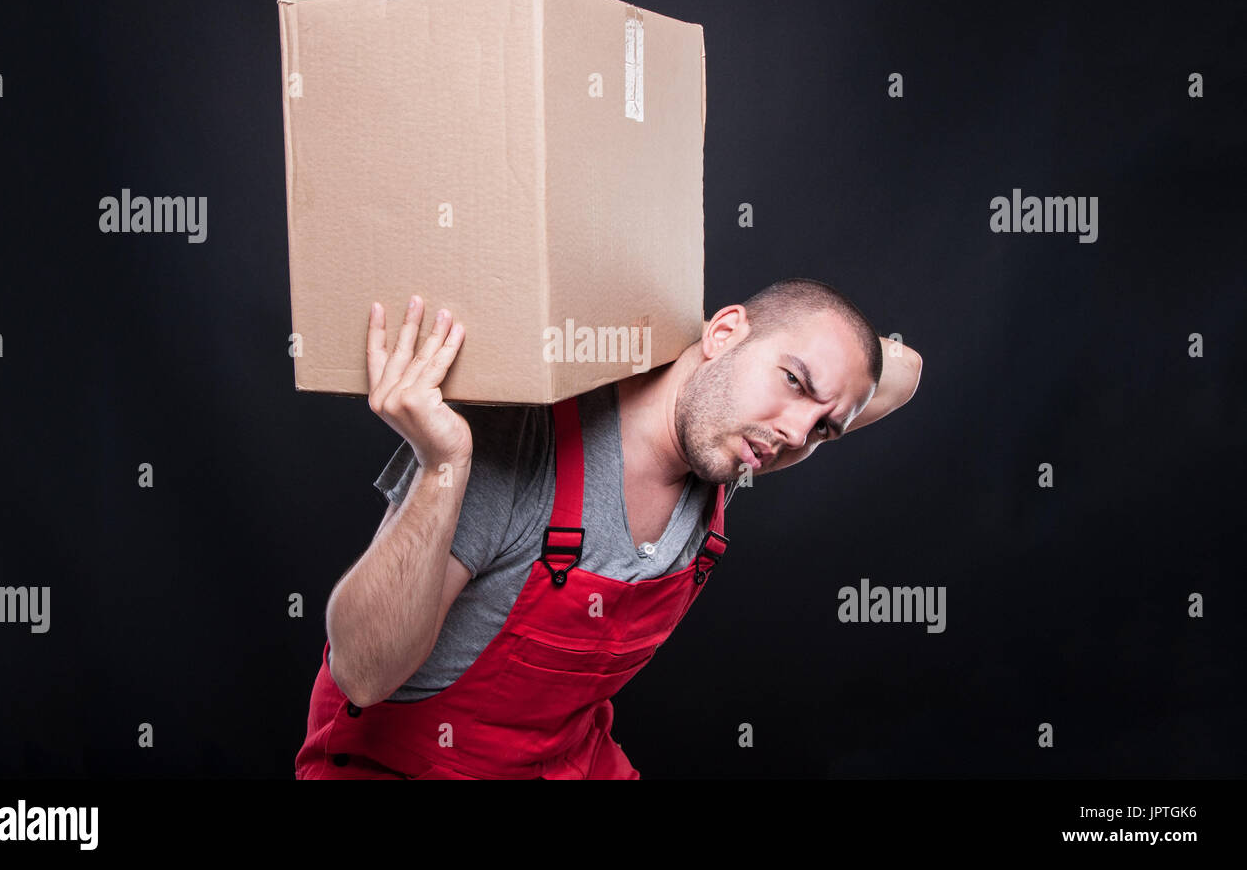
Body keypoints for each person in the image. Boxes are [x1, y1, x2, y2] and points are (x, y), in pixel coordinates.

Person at [294, 278, 923, 779]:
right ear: (724, 332)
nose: (793, 433)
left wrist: (814, 381)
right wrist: (442, 468)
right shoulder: (516, 444)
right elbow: (363, 673)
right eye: (793, 381)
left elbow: (904, 373)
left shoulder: (732, 447)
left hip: (562, 760)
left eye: (823, 430)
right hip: (409, 764)